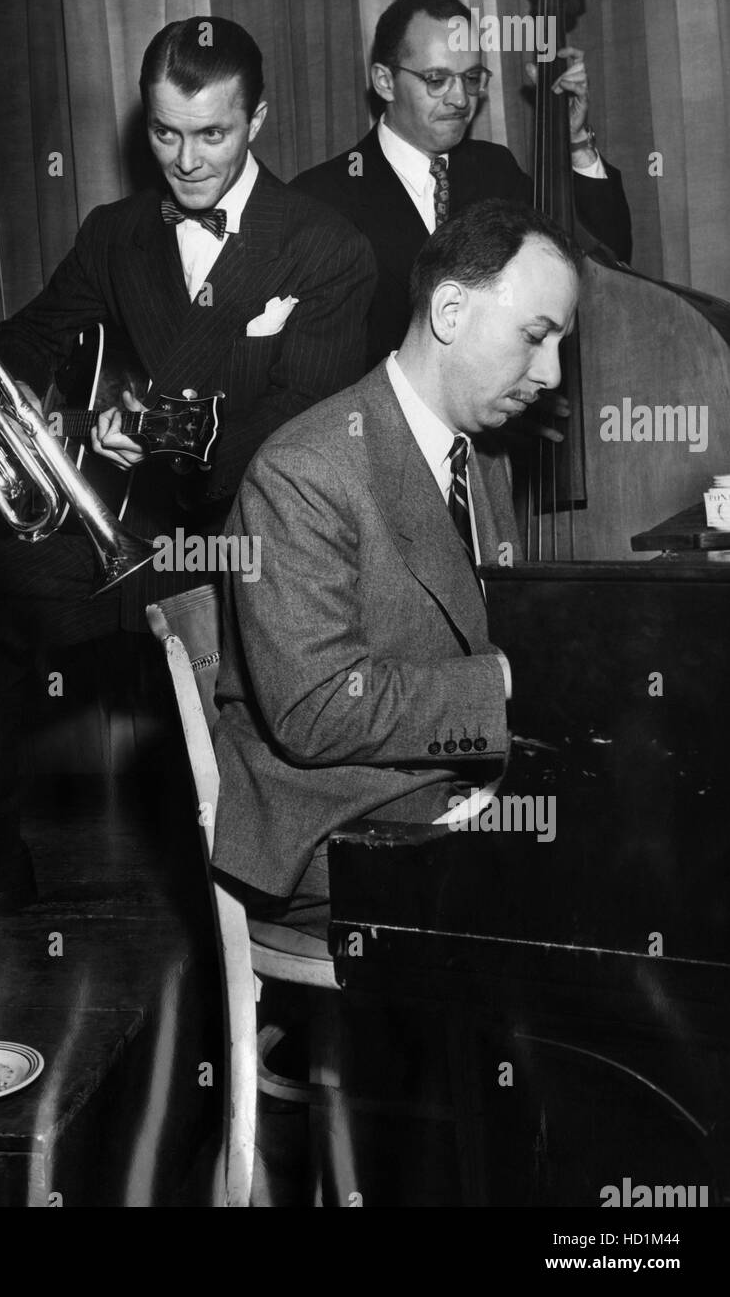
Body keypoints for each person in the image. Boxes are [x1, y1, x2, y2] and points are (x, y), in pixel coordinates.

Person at [0, 16, 376, 926]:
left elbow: (300, 429)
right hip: (146, 534)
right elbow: (36, 341)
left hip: (267, 541)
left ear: (260, 120)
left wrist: (165, 430)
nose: (187, 159)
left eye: (213, 133)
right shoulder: (114, 233)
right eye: (165, 132)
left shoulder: (325, 247)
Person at [211, 199, 582, 939]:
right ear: (450, 311)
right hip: (331, 813)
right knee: (564, 893)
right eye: (536, 338)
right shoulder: (305, 471)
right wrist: (507, 683)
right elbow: (315, 713)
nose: (551, 374)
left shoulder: (482, 457)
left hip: (441, 780)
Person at [293, 0, 628, 368]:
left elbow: (603, 266)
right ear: (385, 82)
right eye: (436, 79)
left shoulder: (495, 169)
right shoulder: (320, 198)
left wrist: (576, 142)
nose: (460, 99)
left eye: (470, 78)